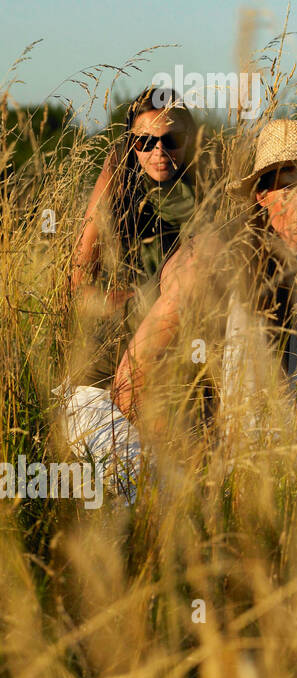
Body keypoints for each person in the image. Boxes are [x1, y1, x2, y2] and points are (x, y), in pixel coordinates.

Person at [112, 119, 297, 458]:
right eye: (289, 188)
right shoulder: (214, 260)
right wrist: (188, 468)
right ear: (262, 196)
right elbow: (130, 383)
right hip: (108, 406)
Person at [58, 84, 201, 500]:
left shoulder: (206, 194)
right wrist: (137, 302)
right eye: (145, 141)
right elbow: (76, 286)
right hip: (104, 373)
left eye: (171, 140)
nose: (158, 150)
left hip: (176, 380)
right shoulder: (117, 183)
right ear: (131, 145)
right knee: (125, 490)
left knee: (182, 496)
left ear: (188, 141)